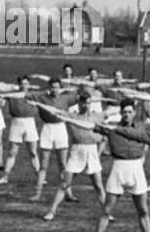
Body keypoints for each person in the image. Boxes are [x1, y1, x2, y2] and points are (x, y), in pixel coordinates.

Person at [88, 100, 150, 232]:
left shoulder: (142, 126)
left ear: (134, 112)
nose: (127, 114)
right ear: (120, 113)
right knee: (107, 209)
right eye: (124, 112)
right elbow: (91, 125)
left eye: (129, 111)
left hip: (137, 169)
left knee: (143, 210)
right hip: (118, 168)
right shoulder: (112, 127)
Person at [41, 88, 106, 220]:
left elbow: (105, 132)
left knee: (99, 186)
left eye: (88, 103)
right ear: (79, 103)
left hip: (92, 152)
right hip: (76, 152)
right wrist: (39, 104)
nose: (85, 105)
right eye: (83, 103)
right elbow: (56, 111)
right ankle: (52, 211)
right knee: (65, 184)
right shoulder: (72, 116)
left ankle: (107, 213)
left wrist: (99, 152)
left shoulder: (97, 116)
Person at [0, 78, 43, 186]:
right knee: (12, 152)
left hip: (30, 123)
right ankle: (5, 177)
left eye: (26, 83)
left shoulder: (34, 95)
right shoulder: (13, 95)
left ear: (29, 85)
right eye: (22, 84)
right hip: (16, 123)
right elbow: (1, 103)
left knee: (33, 152)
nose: (23, 85)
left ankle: (40, 178)